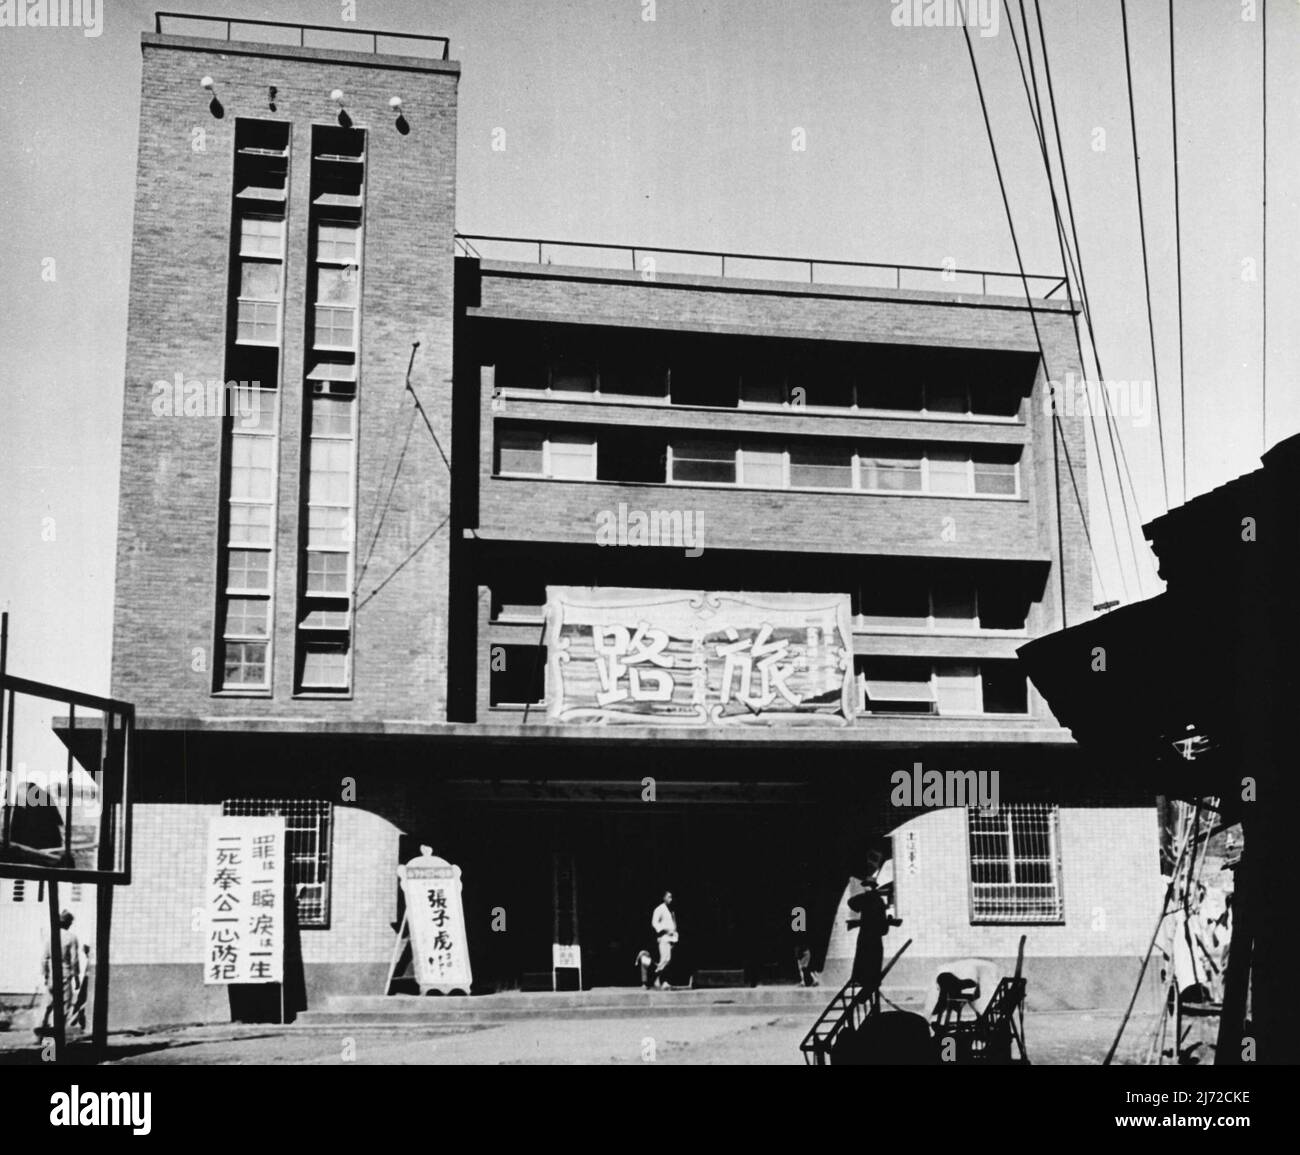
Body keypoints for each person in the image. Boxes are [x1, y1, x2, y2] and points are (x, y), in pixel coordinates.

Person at [846, 876, 900, 994]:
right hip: (875, 934)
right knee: (875, 957)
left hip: (865, 933)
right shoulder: (879, 900)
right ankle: (873, 980)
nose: (864, 888)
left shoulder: (865, 898)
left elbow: (851, 902)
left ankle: (859, 979)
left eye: (865, 886)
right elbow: (883, 920)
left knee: (862, 956)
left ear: (869, 887)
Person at [37, 910, 84, 1039]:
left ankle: (40, 1032)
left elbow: (44, 958)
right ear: (68, 923)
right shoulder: (71, 937)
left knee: (48, 1004)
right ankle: (55, 1034)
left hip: (52, 975)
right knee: (64, 1005)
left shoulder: (50, 936)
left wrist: (46, 975)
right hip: (65, 975)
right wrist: (76, 977)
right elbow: (74, 959)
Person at [651, 890, 678, 989]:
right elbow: (654, 923)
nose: (671, 899)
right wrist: (664, 931)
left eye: (671, 897)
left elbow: (674, 925)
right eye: (669, 897)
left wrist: (674, 936)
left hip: (672, 939)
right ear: (664, 898)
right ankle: (656, 976)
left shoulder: (671, 911)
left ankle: (660, 981)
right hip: (664, 938)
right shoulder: (659, 909)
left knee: (668, 961)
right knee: (666, 959)